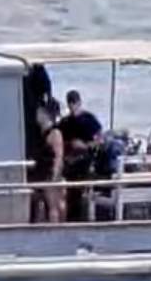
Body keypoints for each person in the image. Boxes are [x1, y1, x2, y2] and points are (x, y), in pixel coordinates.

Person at [57, 90, 104, 221]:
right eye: (70, 103)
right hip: (70, 161)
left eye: (74, 103)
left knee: (80, 189)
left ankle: (80, 216)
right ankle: (72, 217)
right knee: (71, 192)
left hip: (85, 160)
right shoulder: (65, 122)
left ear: (79, 102)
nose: (72, 106)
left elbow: (99, 140)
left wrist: (84, 145)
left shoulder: (88, 119)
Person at [29, 98, 65, 223]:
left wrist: (55, 176)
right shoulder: (41, 133)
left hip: (50, 175)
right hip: (40, 174)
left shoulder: (55, 133)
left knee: (53, 206)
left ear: (46, 114)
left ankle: (56, 230)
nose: (37, 115)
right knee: (40, 204)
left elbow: (59, 157)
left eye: (39, 112)